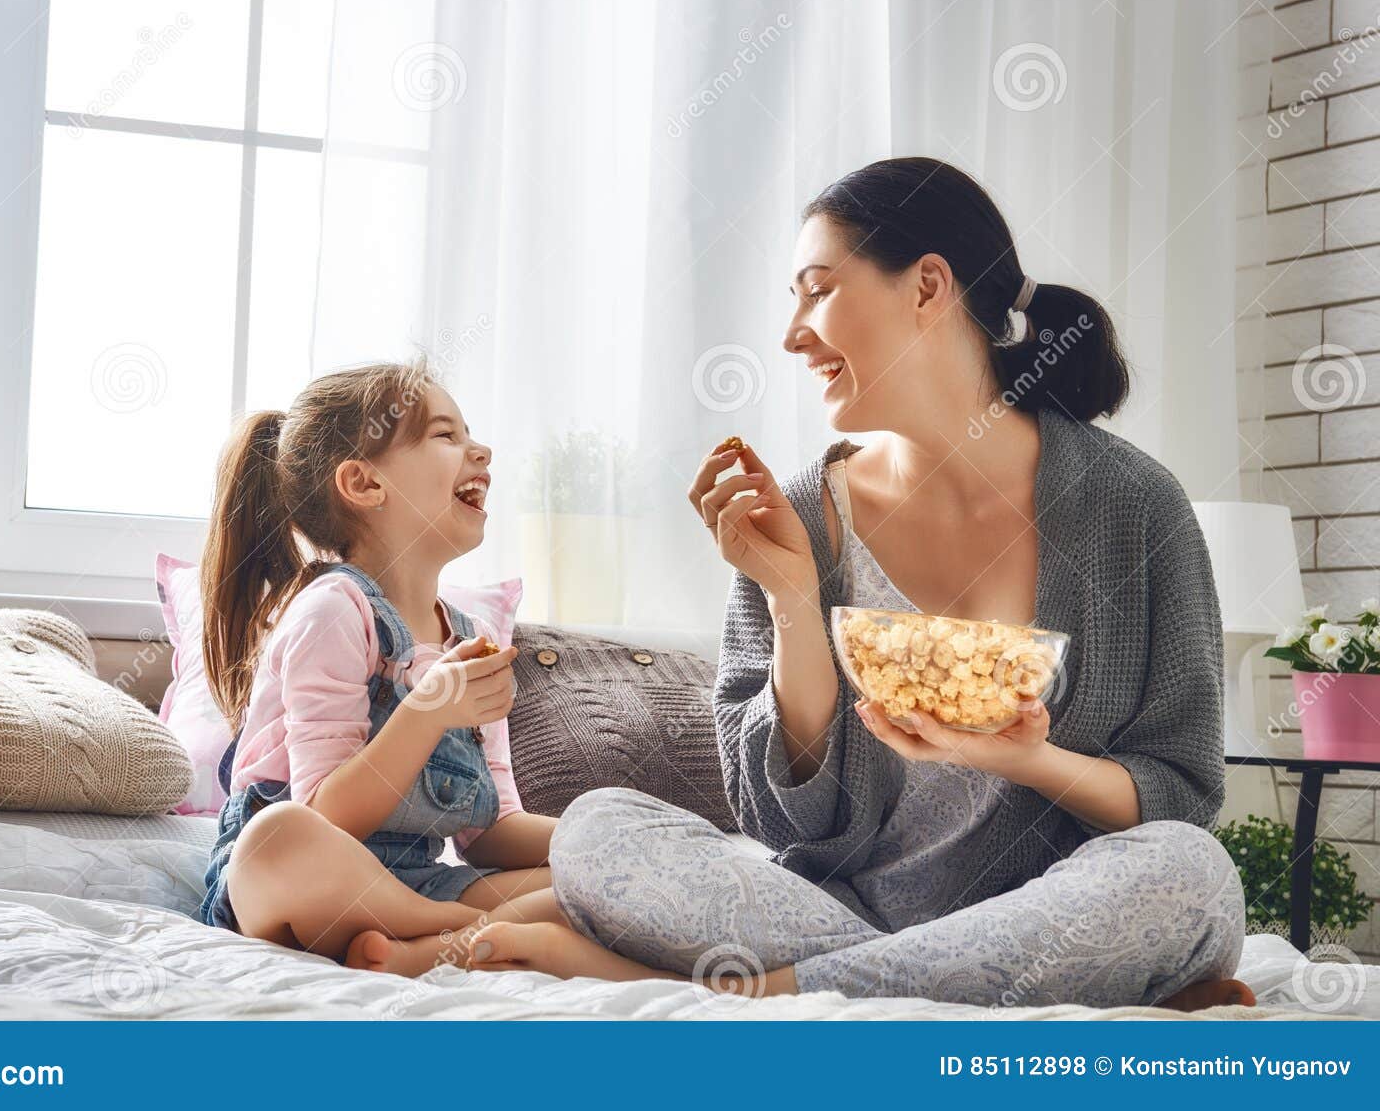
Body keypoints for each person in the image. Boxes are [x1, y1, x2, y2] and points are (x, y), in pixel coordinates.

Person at [465, 158, 1253, 1011]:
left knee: (1189, 874)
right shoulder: (801, 516)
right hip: (831, 908)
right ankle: (985, 986)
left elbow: (1180, 793)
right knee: (598, 832)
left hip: (1054, 901)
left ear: (927, 287)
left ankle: (773, 994)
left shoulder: (1135, 507)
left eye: (816, 289)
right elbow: (779, 825)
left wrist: (1029, 760)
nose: (792, 333)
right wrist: (793, 603)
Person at [193, 360, 568, 976]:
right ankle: (471, 933)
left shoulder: (473, 637)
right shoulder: (333, 612)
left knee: (590, 883)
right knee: (277, 838)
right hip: (301, 882)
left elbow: (494, 831)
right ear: (364, 484)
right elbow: (325, 815)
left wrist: (599, 835)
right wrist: (426, 711)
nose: (481, 451)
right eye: (447, 436)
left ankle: (414, 948)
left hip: (418, 884)